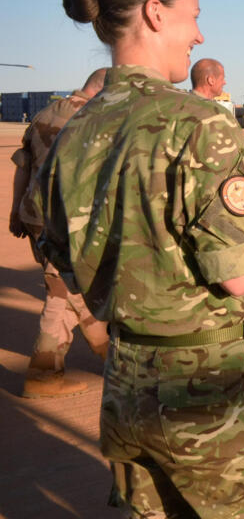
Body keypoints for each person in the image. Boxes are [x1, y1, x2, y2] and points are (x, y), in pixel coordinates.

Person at [36, 0, 244, 516]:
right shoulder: (197, 121)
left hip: (126, 382)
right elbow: (238, 276)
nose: (200, 33)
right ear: (155, 13)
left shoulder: (73, 128)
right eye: (194, 16)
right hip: (214, 394)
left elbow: (62, 261)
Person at [10, 67, 110, 398]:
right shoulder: (91, 121)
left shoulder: (44, 114)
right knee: (61, 293)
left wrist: (15, 211)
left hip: (35, 215)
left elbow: (23, 169)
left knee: (68, 290)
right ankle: (43, 377)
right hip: (67, 222)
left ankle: (110, 356)